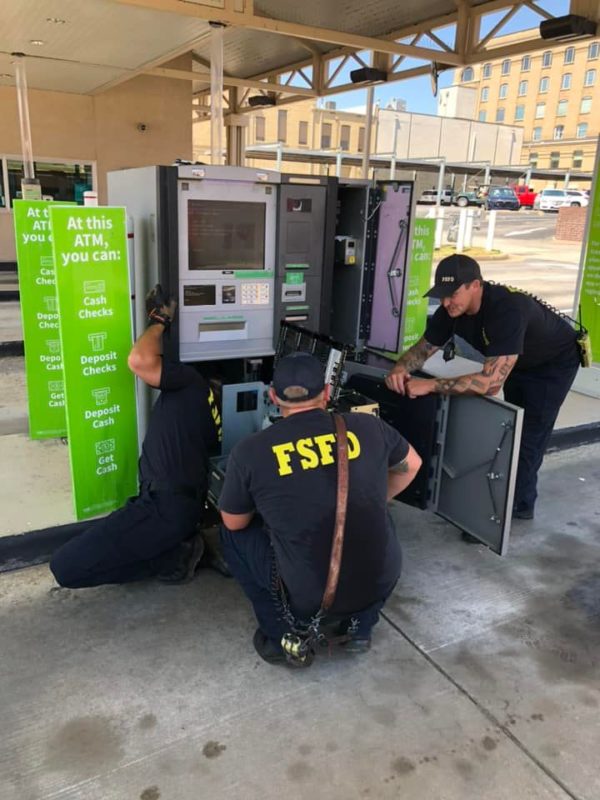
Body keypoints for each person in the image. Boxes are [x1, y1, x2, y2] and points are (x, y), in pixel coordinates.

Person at [218, 352, 422, 666]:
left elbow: (234, 522)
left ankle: (282, 635)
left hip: (309, 597)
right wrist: (371, 500)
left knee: (230, 536)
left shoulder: (251, 451)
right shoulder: (369, 426)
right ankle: (361, 626)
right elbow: (412, 465)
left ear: (273, 397)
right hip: (379, 582)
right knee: (379, 514)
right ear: (327, 393)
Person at [385, 254, 581, 520]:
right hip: (518, 361)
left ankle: (516, 507)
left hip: (553, 364)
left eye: (452, 294)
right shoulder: (451, 310)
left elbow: (490, 383)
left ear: (475, 285)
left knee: (529, 434)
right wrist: (401, 368)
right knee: (512, 428)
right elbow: (424, 348)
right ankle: (506, 496)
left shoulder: (507, 310)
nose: (445, 302)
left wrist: (430, 385)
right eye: (441, 295)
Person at [50, 286, 221, 588]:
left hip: (161, 509)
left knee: (64, 567)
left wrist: (159, 320)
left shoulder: (190, 382)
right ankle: (174, 547)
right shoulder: (205, 400)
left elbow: (139, 360)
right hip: (177, 509)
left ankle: (175, 555)